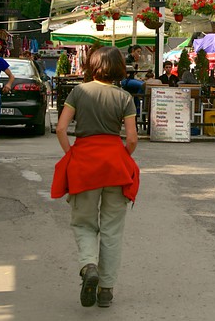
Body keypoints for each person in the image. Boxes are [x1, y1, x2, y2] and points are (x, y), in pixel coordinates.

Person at [52, 46, 139, 309]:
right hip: (114, 164)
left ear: (92, 65)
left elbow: (61, 128)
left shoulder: (79, 92)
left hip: (84, 164)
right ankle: (106, 290)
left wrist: (71, 154)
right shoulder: (125, 97)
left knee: (84, 224)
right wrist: (121, 155)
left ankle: (89, 265)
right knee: (112, 231)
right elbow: (132, 139)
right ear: (119, 68)